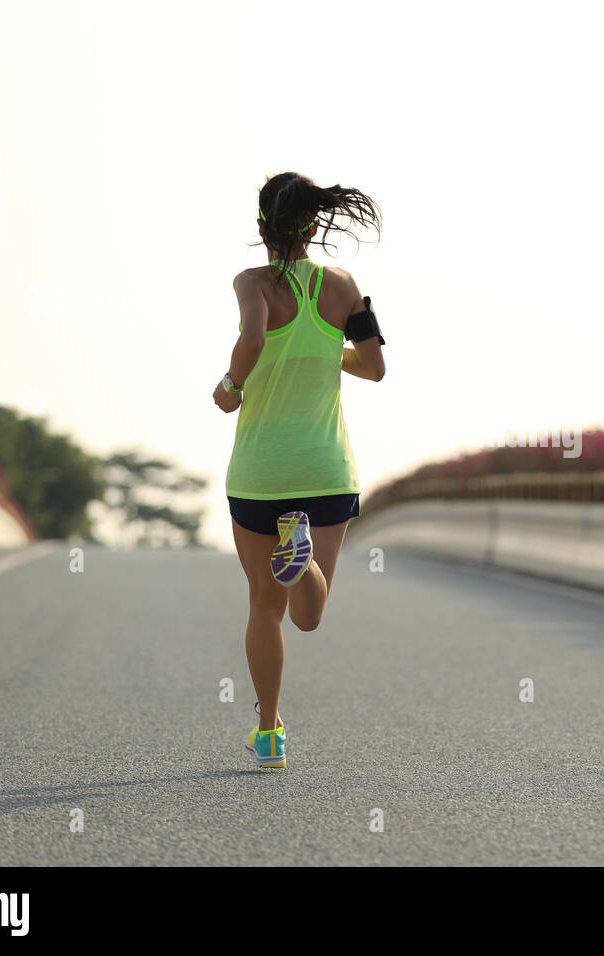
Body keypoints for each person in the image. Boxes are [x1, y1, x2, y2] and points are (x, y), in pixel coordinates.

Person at [213, 172, 384, 769]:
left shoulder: (251, 281)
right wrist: (324, 349)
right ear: (316, 227)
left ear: (261, 229)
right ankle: (302, 556)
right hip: (327, 472)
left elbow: (255, 338)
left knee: (265, 605)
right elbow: (376, 365)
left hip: (262, 473)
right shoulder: (343, 286)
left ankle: (268, 731)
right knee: (309, 616)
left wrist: (231, 387)